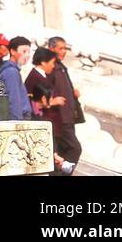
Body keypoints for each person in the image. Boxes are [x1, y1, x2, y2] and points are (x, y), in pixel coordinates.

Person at [26, 47, 75, 175]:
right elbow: (32, 102)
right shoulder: (34, 77)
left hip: (51, 124)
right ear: (43, 62)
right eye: (52, 63)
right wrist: (52, 102)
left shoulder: (43, 76)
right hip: (44, 122)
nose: (53, 66)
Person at [46, 35, 84, 170]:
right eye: (60, 48)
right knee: (75, 149)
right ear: (51, 49)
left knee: (63, 151)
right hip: (60, 118)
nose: (64, 51)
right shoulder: (50, 68)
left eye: (65, 48)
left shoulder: (60, 66)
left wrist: (73, 94)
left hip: (68, 117)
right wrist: (51, 102)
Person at [0, 36, 32, 121]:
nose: (27, 55)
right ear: (12, 51)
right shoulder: (11, 72)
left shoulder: (12, 70)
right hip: (19, 120)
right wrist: (17, 124)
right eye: (24, 51)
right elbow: (13, 101)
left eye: (28, 52)